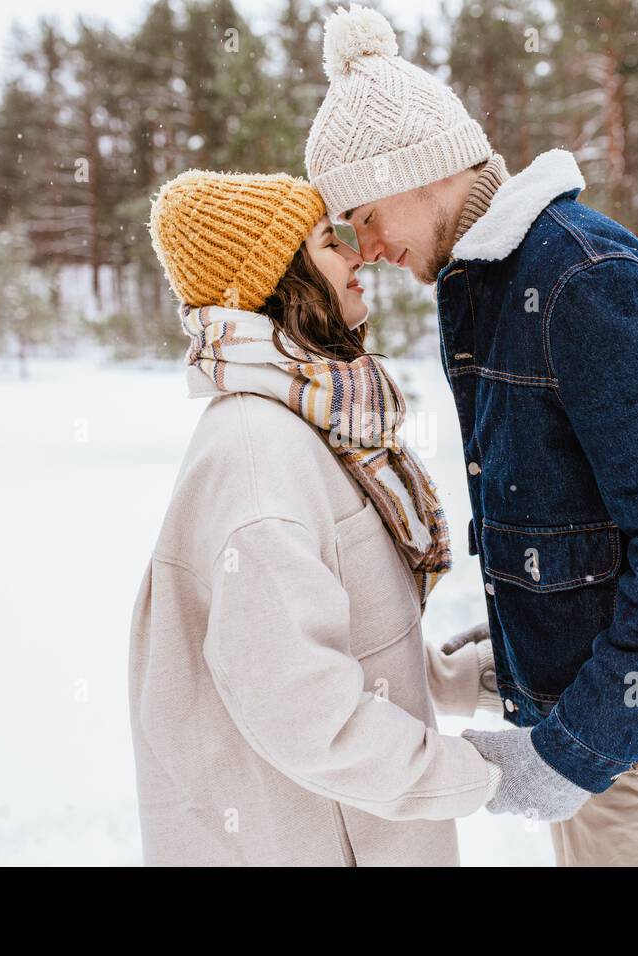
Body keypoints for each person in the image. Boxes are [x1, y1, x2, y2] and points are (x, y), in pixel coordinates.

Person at [302, 3, 638, 865]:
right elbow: (585, 514)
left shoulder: (583, 285)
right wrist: (526, 640)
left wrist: (576, 753)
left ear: (421, 171)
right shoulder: (501, 284)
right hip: (615, 734)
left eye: (366, 215)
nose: (364, 248)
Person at [128, 168, 503, 866]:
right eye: (328, 243)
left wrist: (464, 680)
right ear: (277, 280)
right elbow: (305, 712)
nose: (358, 254)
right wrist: (484, 774)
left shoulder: (305, 423)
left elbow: (322, 641)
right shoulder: (258, 461)